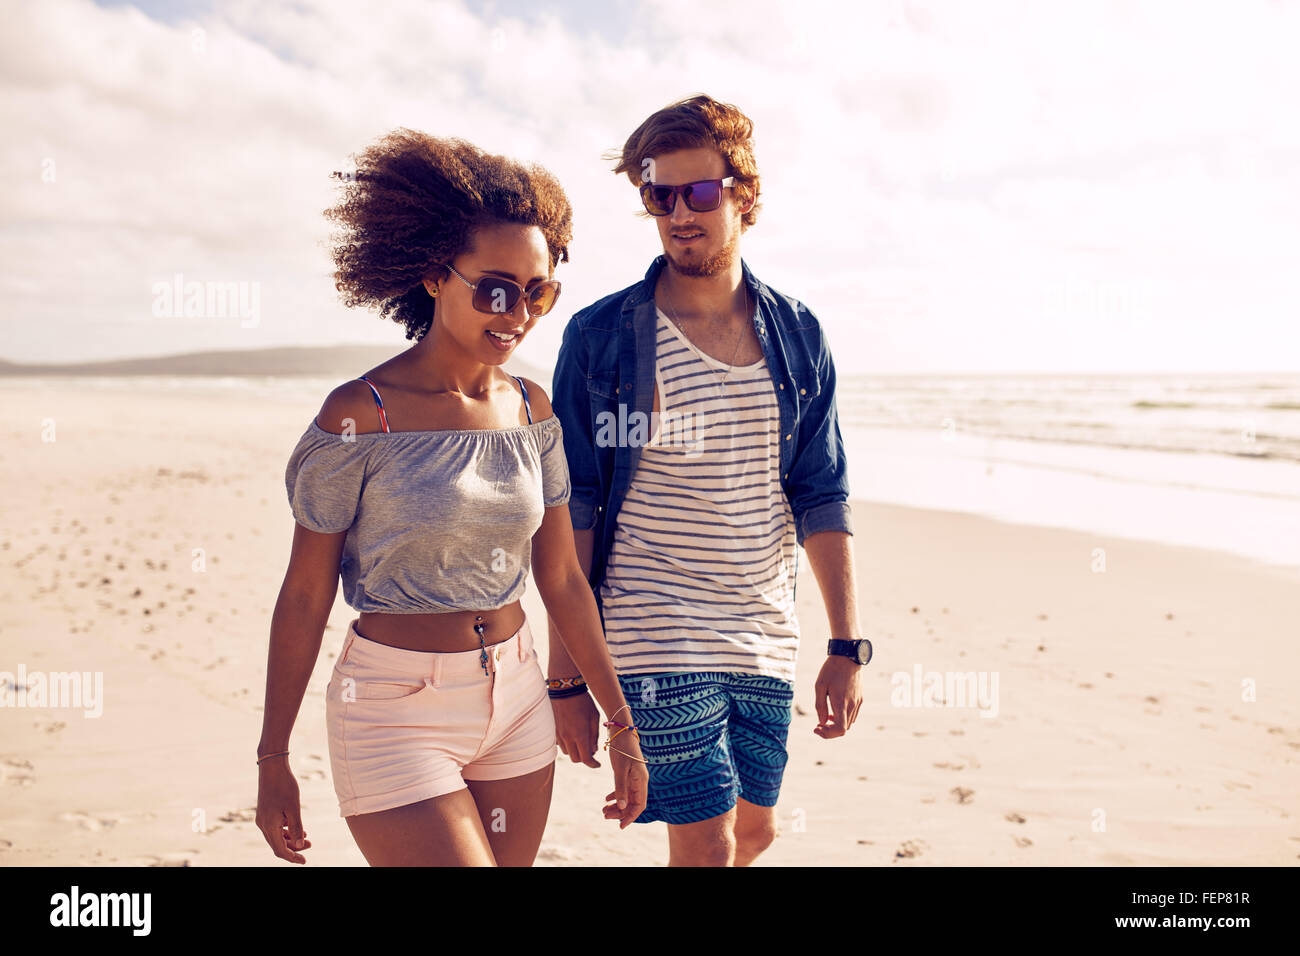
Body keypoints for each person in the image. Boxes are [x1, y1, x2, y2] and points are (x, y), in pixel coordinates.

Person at [255, 130, 647, 867]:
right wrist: (272, 756)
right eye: (497, 289)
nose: (520, 313)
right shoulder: (361, 414)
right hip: (393, 711)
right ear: (436, 276)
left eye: (541, 292)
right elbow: (306, 593)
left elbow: (560, 578)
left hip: (518, 698)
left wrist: (621, 723)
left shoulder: (533, 411)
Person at [548, 95, 870, 866]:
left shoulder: (798, 334)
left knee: (753, 831)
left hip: (763, 629)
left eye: (698, 193)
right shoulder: (600, 337)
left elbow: (820, 492)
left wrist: (846, 643)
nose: (678, 213)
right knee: (709, 841)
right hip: (650, 624)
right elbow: (571, 513)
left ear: (744, 195)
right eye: (659, 196)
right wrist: (567, 680)